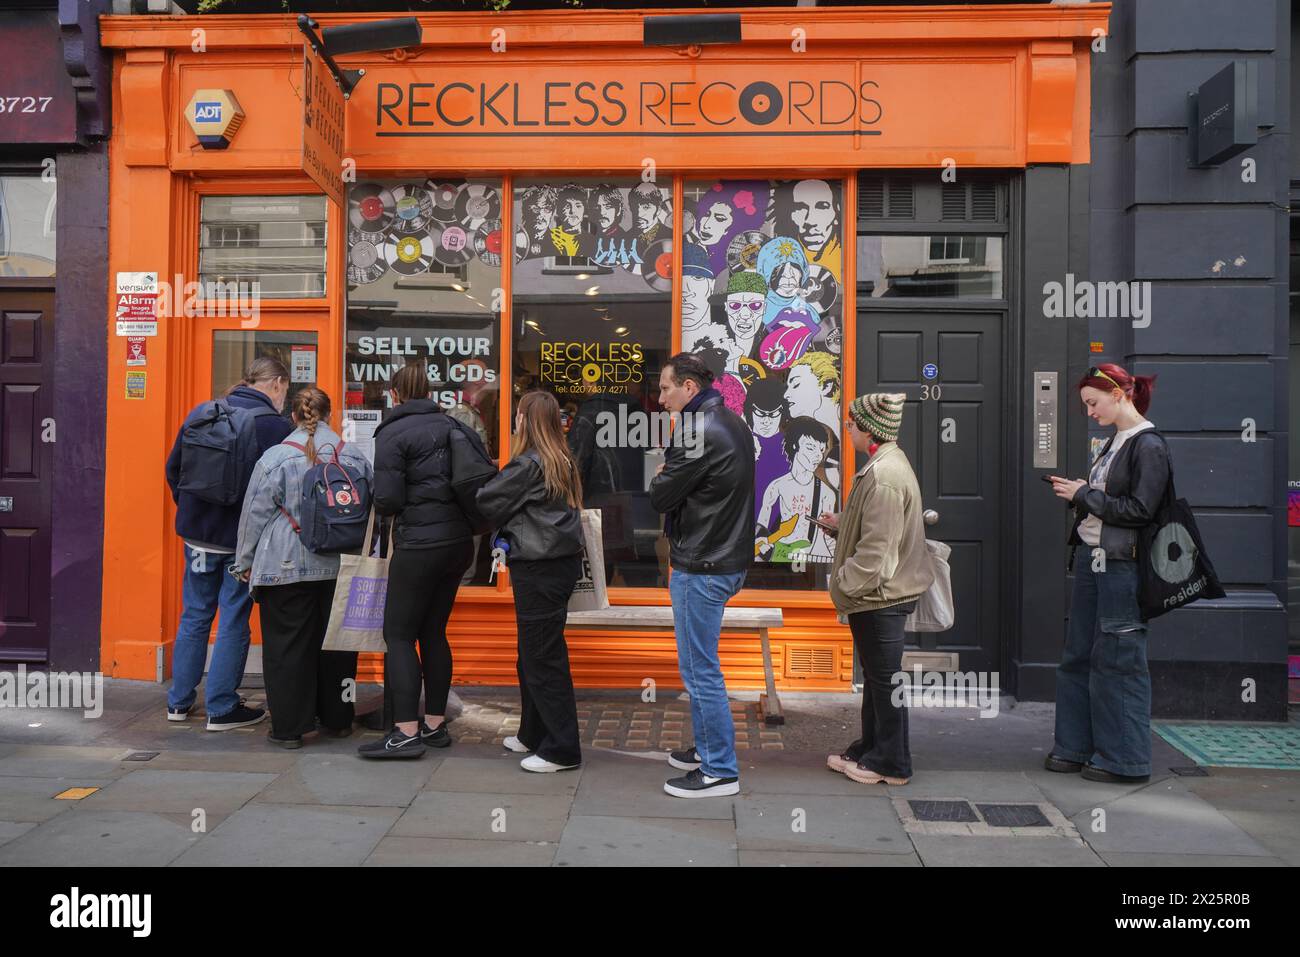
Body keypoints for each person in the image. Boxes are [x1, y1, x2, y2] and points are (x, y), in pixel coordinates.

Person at [358, 362, 494, 759]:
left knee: (398, 635)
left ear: (395, 394)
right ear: (429, 392)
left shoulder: (392, 432)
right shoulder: (455, 426)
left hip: (418, 544)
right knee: (433, 632)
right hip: (458, 544)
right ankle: (434, 725)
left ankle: (403, 732)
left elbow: (388, 499)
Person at [1046, 363, 1166, 784]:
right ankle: (1075, 748)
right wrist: (1083, 493)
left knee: (1118, 659)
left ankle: (1124, 759)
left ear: (1119, 394)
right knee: (1078, 655)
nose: (1089, 412)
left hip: (1121, 566)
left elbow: (1140, 511)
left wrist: (1085, 494)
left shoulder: (1148, 445)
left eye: (1093, 403)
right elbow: (1114, 502)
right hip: (1095, 560)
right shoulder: (1116, 443)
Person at [234, 387, 371, 749]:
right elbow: (371, 510)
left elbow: (254, 515)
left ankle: (290, 729)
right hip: (343, 565)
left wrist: (243, 562)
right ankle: (338, 720)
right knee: (339, 648)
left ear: (293, 416)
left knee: (286, 649)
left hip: (285, 566)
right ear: (329, 416)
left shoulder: (276, 457)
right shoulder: (353, 456)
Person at [163, 356, 292, 730]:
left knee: (195, 614)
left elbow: (174, 469)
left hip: (197, 536)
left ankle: (179, 702)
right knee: (234, 614)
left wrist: (192, 513)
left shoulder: (203, 412)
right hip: (239, 541)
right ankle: (221, 707)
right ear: (278, 383)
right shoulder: (272, 425)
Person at [649, 352, 755, 798]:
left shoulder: (696, 431)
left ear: (689, 388)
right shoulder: (729, 421)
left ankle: (718, 771)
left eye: (666, 388)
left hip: (703, 564)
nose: (660, 398)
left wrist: (662, 478)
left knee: (700, 670)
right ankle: (707, 750)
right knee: (701, 665)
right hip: (724, 559)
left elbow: (659, 495)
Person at [822, 393, 934, 786]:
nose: (847, 430)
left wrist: (842, 584)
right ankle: (871, 748)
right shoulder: (883, 466)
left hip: (879, 596)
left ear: (868, 428)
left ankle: (891, 763)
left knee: (885, 679)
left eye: (851, 424)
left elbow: (877, 553)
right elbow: (876, 532)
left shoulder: (884, 477)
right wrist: (842, 523)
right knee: (876, 676)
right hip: (877, 595)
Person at [477, 391, 585, 772]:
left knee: (542, 657)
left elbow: (487, 501)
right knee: (533, 655)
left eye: (517, 415)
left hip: (539, 568)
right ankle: (532, 733)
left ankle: (562, 749)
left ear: (524, 419)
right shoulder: (561, 458)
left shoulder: (527, 464)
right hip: (556, 566)